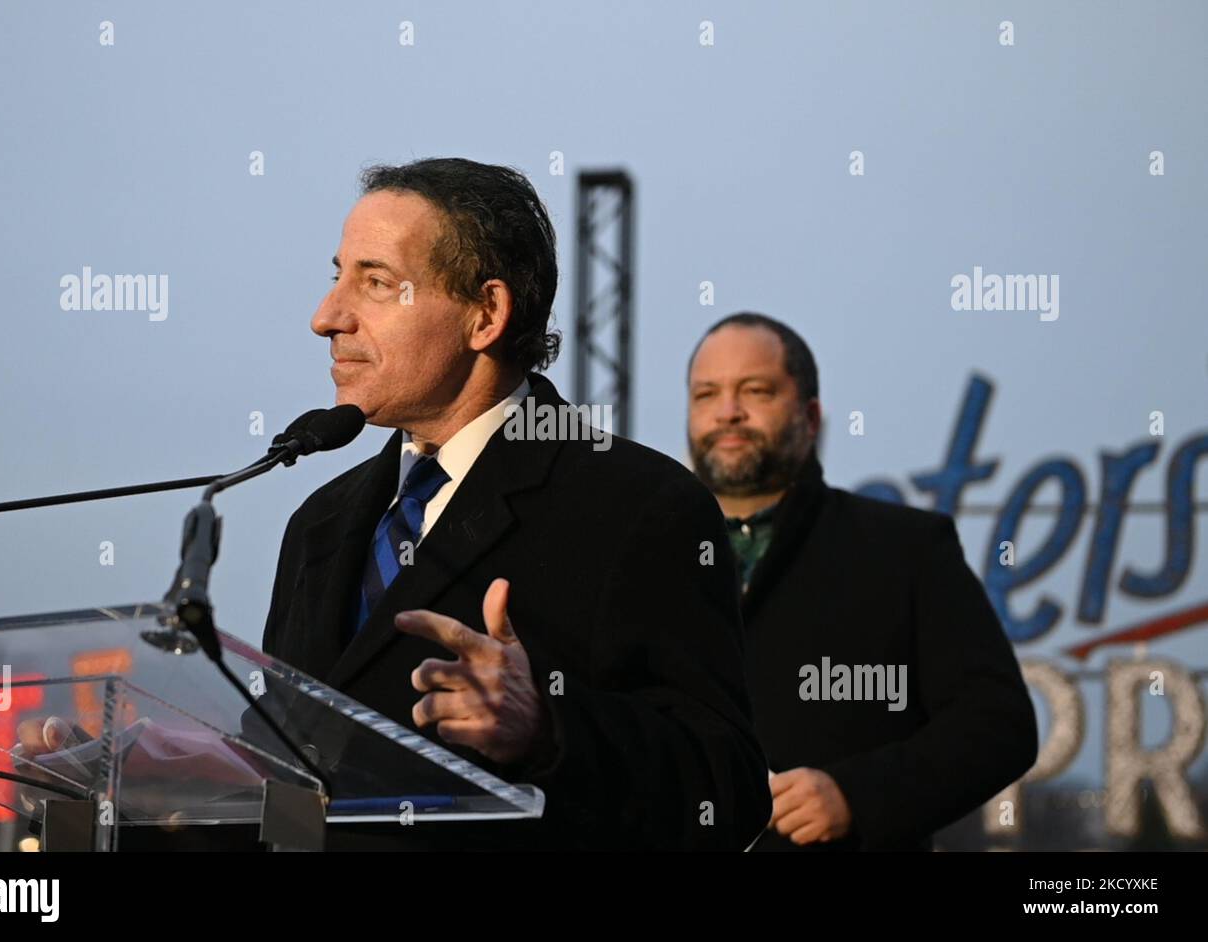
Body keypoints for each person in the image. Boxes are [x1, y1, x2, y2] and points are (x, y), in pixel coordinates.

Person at [262, 158, 770, 850]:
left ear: (486, 314)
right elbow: (285, 776)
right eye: (337, 276)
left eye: (376, 283)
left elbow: (727, 789)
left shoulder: (639, 506)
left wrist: (549, 728)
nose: (327, 317)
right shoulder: (320, 522)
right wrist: (146, 765)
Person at [686, 312, 1038, 851]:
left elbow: (1000, 725)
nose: (728, 413)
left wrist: (856, 794)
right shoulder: (640, 553)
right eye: (706, 394)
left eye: (754, 390)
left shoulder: (906, 549)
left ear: (811, 415)